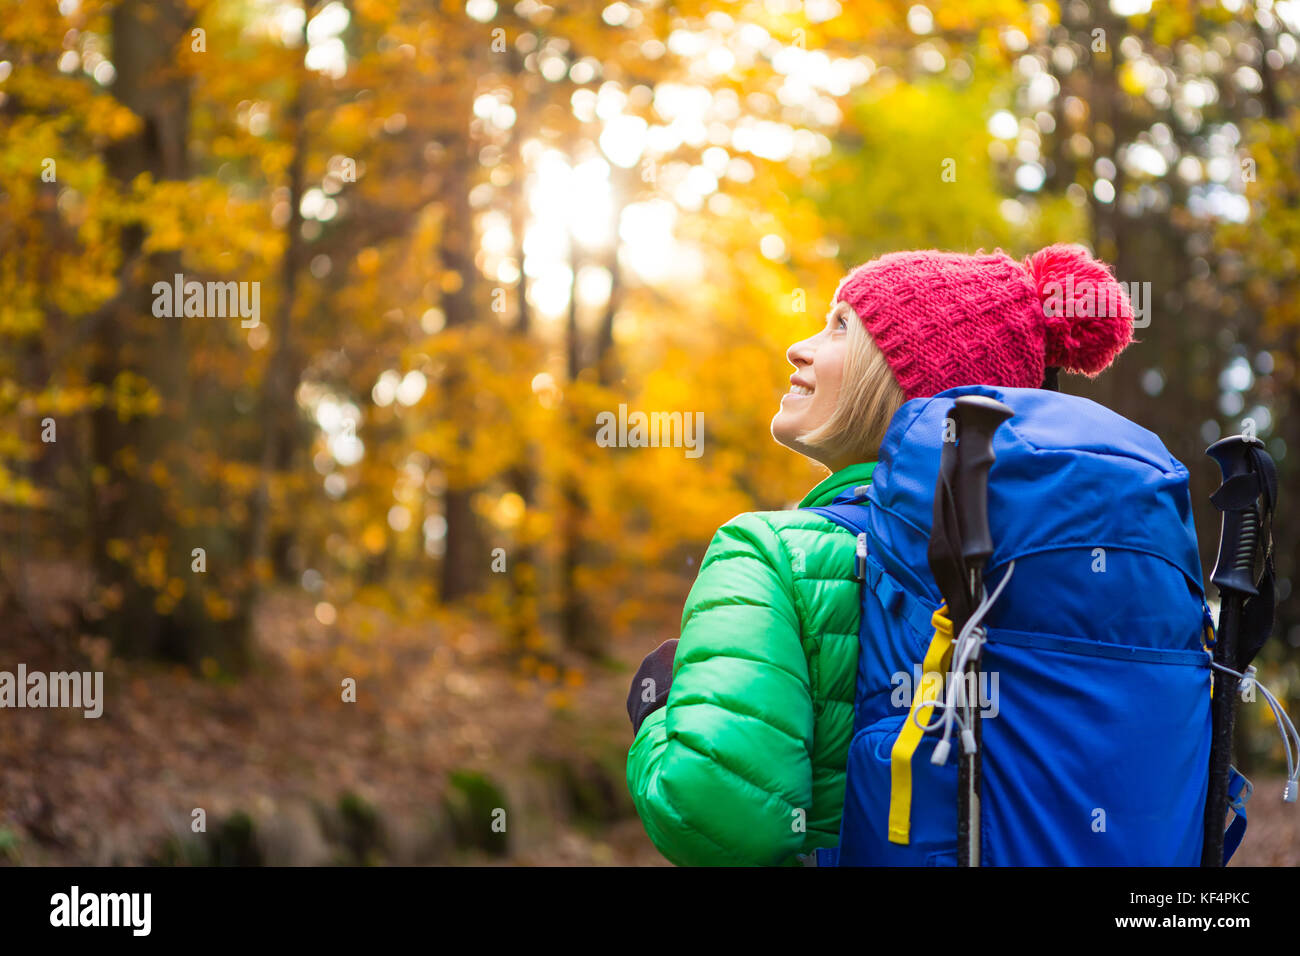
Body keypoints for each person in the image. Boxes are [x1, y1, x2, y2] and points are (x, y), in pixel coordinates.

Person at [624, 244, 1136, 866]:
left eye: (841, 325)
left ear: (908, 381)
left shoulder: (771, 553)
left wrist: (656, 713)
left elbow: (714, 813)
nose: (800, 347)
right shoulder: (1062, 567)